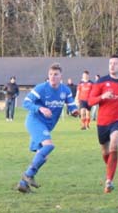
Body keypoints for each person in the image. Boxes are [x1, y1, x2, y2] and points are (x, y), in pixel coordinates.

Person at [16, 63, 79, 193]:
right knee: (49, 146)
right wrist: (40, 108)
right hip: (34, 121)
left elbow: (72, 106)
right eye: (50, 74)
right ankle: (28, 175)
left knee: (44, 156)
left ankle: (23, 184)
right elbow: (25, 103)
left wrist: (75, 112)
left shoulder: (65, 91)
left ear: (61, 76)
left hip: (47, 125)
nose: (53, 77)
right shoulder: (41, 88)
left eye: (56, 74)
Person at [87, 55, 118, 193]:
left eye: (115, 63)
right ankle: (110, 168)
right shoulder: (101, 82)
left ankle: (109, 181)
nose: (112, 65)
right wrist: (102, 96)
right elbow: (90, 101)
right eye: (110, 63)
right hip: (102, 122)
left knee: (114, 144)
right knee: (105, 151)